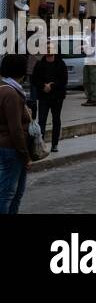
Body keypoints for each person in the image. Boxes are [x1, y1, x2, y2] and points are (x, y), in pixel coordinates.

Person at [0, 54, 32, 213]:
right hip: (12, 149)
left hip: (9, 147)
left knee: (16, 193)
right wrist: (25, 155)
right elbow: (16, 128)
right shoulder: (11, 93)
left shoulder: (6, 89)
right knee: (8, 193)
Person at [31, 48, 67, 152]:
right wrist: (43, 86)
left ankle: (54, 144)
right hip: (43, 96)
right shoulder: (40, 64)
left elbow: (64, 80)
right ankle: (40, 143)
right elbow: (34, 79)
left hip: (57, 97)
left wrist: (52, 85)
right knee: (42, 120)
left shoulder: (60, 63)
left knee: (56, 120)